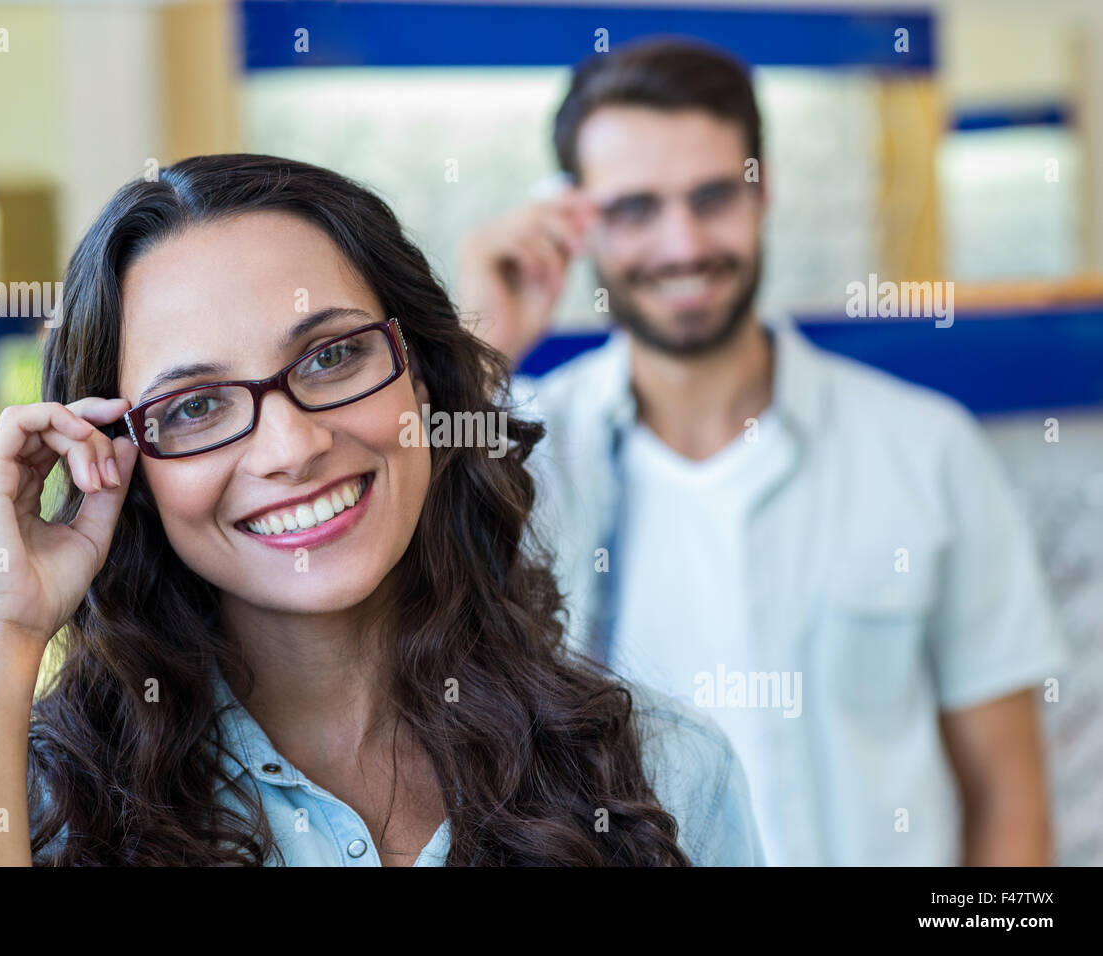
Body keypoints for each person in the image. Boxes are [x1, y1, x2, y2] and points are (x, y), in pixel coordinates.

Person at [0, 153, 764, 866]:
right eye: (194, 407)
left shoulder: (664, 774)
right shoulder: (46, 807)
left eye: (333, 357)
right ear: (124, 469)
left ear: (421, 378)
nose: (290, 448)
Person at [457, 37, 1068, 866]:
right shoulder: (515, 464)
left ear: (763, 191)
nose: (682, 245)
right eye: (635, 207)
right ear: (575, 220)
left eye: (712, 197)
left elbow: (1009, 798)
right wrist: (478, 348)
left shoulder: (927, 450)